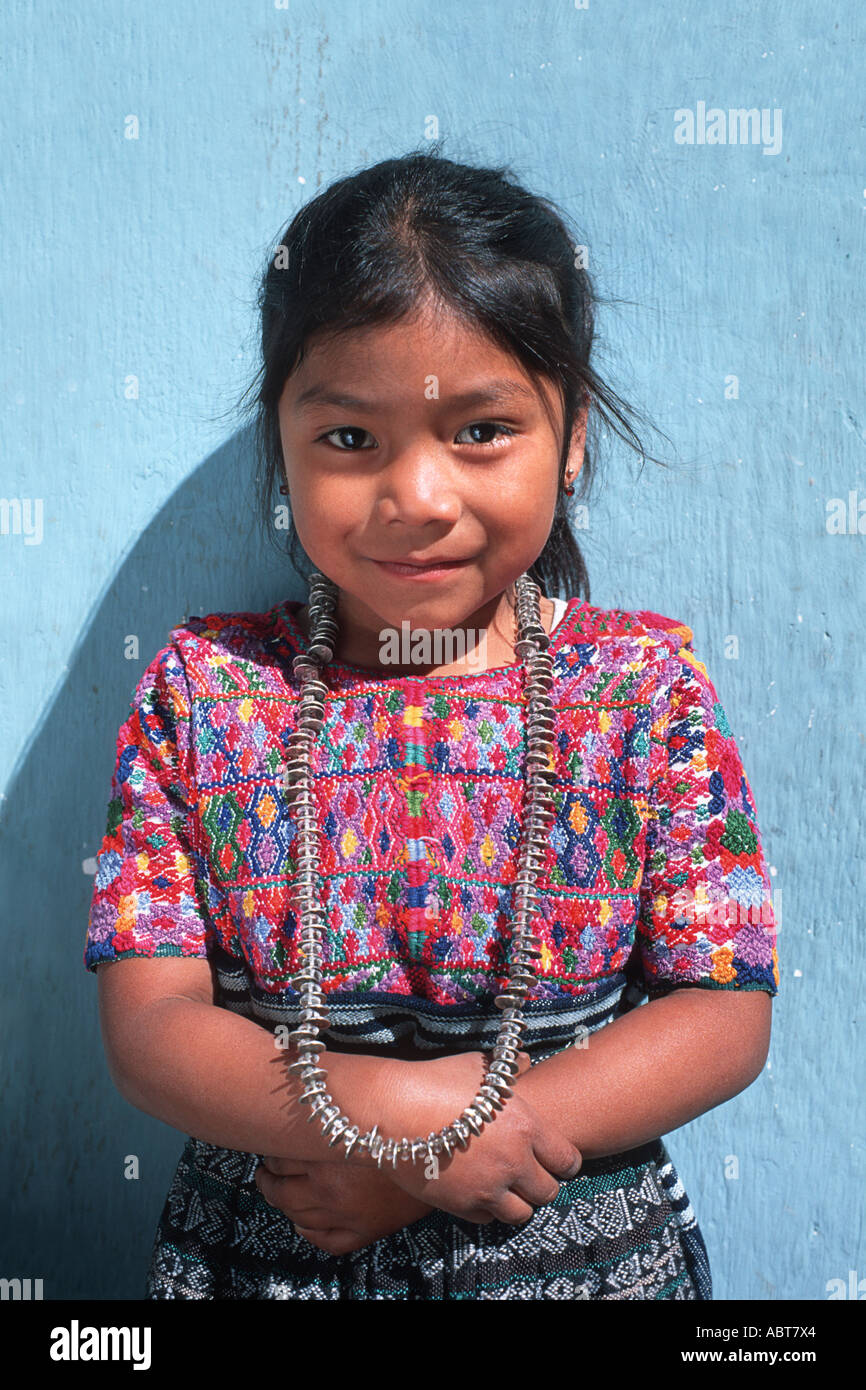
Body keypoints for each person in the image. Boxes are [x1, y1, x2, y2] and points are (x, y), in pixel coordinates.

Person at [83, 146, 779, 1300]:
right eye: (350, 439)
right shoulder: (206, 696)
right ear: (284, 447)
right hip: (267, 1262)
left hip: (577, 1254)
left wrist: (431, 1158)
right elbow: (152, 1021)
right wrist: (388, 1116)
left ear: (571, 442)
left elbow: (721, 1008)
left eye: (480, 431)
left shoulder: (644, 693)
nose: (416, 496)